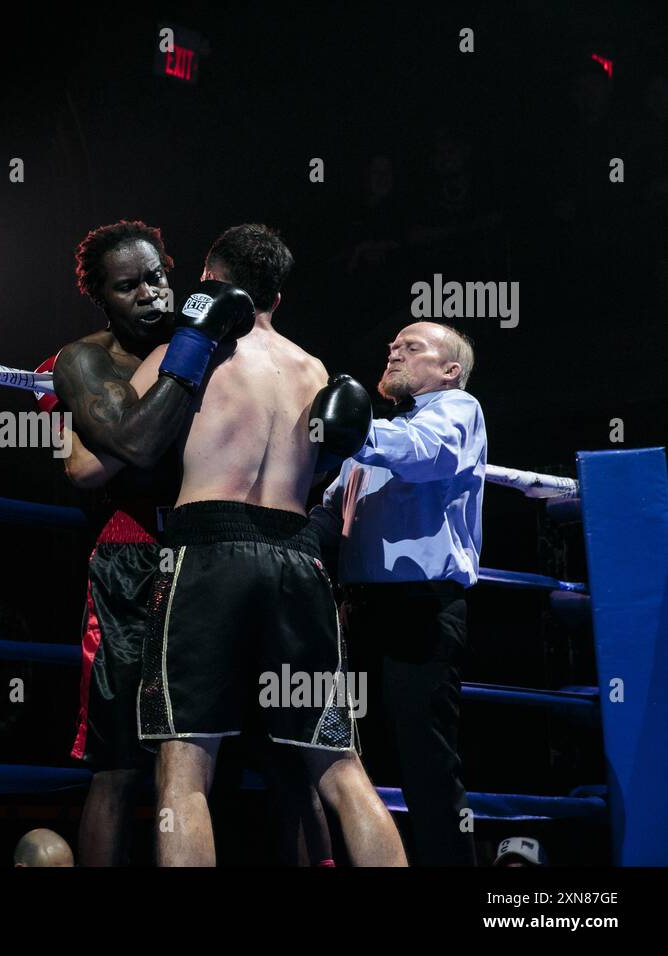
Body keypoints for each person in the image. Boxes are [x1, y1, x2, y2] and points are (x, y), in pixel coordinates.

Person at [78, 223, 406, 866]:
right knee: (339, 767)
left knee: (184, 771)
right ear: (278, 298)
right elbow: (317, 480)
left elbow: (110, 453)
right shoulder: (315, 370)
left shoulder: (193, 348)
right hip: (299, 558)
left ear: (208, 281)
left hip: (207, 552)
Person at [39, 219, 254, 866]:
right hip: (130, 561)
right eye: (129, 285)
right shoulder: (83, 360)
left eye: (158, 276)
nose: (151, 293)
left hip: (212, 552)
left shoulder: (213, 346)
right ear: (102, 297)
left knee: (207, 757)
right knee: (119, 763)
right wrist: (188, 360)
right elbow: (102, 461)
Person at [310, 321, 485, 865]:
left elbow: (425, 453)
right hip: (358, 611)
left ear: (449, 370)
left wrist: (353, 430)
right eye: (391, 346)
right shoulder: (373, 439)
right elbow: (329, 509)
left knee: (426, 763)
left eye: (411, 348)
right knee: (342, 756)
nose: (394, 353)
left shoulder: (457, 409)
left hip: (421, 609)